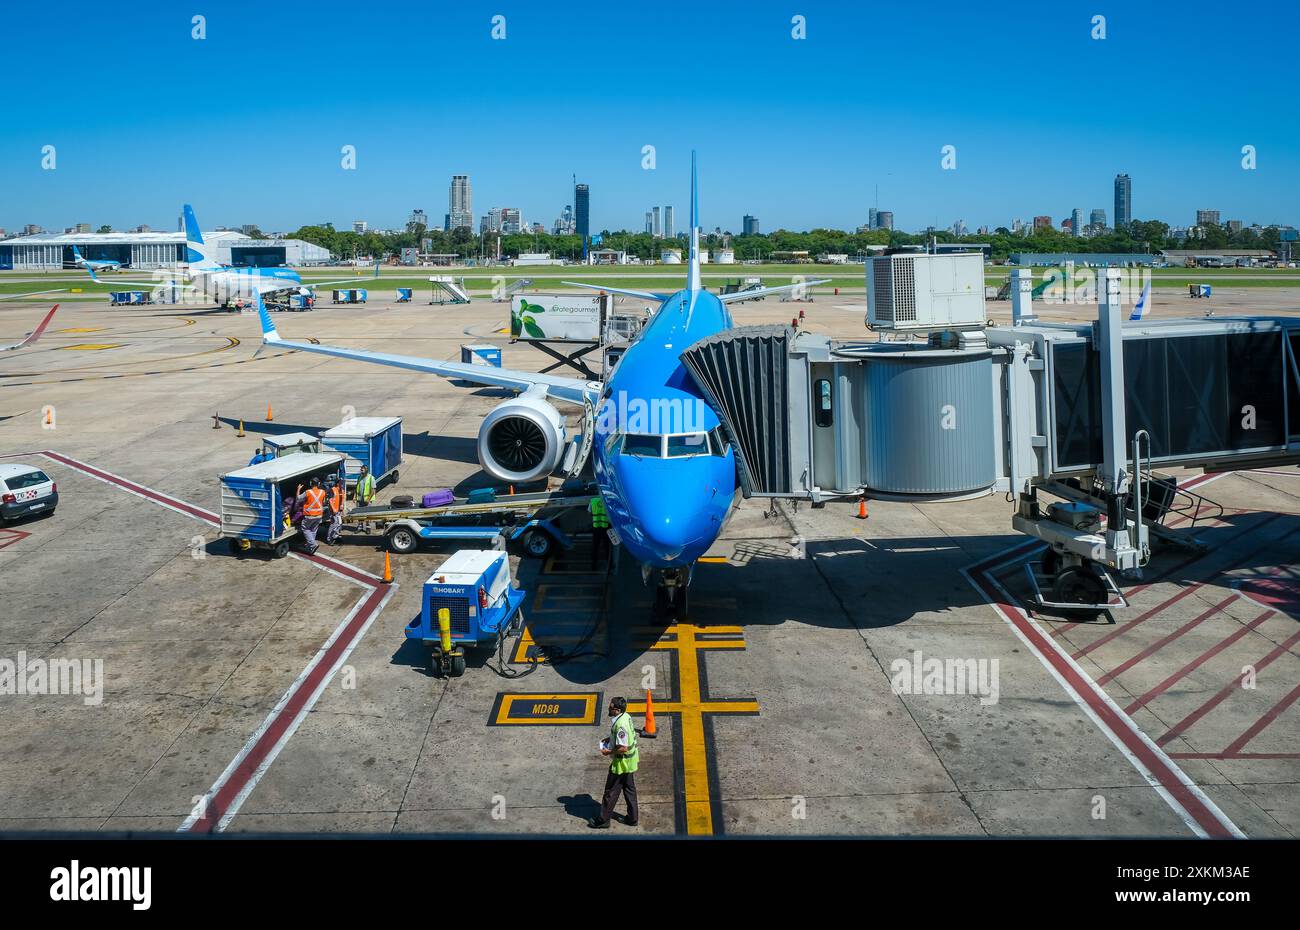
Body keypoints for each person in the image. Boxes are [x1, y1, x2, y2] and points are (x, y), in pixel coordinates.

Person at [590, 696, 639, 829]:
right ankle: (633, 819)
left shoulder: (620, 724)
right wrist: (610, 739)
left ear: (617, 710)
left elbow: (623, 748)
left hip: (621, 764)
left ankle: (603, 820)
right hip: (630, 761)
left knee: (610, 792)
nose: (608, 708)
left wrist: (608, 752)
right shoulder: (625, 716)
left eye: (611, 707)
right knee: (629, 790)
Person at [298, 477, 326, 554]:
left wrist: (298, 489)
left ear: (310, 483)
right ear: (319, 484)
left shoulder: (308, 492)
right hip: (319, 515)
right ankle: (310, 547)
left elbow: (298, 499)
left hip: (309, 515)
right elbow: (322, 501)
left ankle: (313, 544)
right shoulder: (322, 492)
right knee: (313, 530)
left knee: (306, 529)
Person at [588, 494, 610, 570]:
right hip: (605, 526)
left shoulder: (593, 501)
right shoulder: (607, 500)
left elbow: (590, 512)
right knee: (606, 545)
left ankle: (593, 565)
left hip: (596, 526)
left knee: (595, 546)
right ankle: (609, 564)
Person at [325, 476, 344, 544]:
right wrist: (333, 509)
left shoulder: (342, 490)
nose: (342, 483)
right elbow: (330, 500)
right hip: (334, 511)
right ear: (337, 483)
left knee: (339, 524)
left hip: (339, 511)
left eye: (342, 482)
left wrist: (342, 506)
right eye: (340, 482)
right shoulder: (332, 489)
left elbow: (342, 498)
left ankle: (335, 536)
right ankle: (329, 538)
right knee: (333, 524)